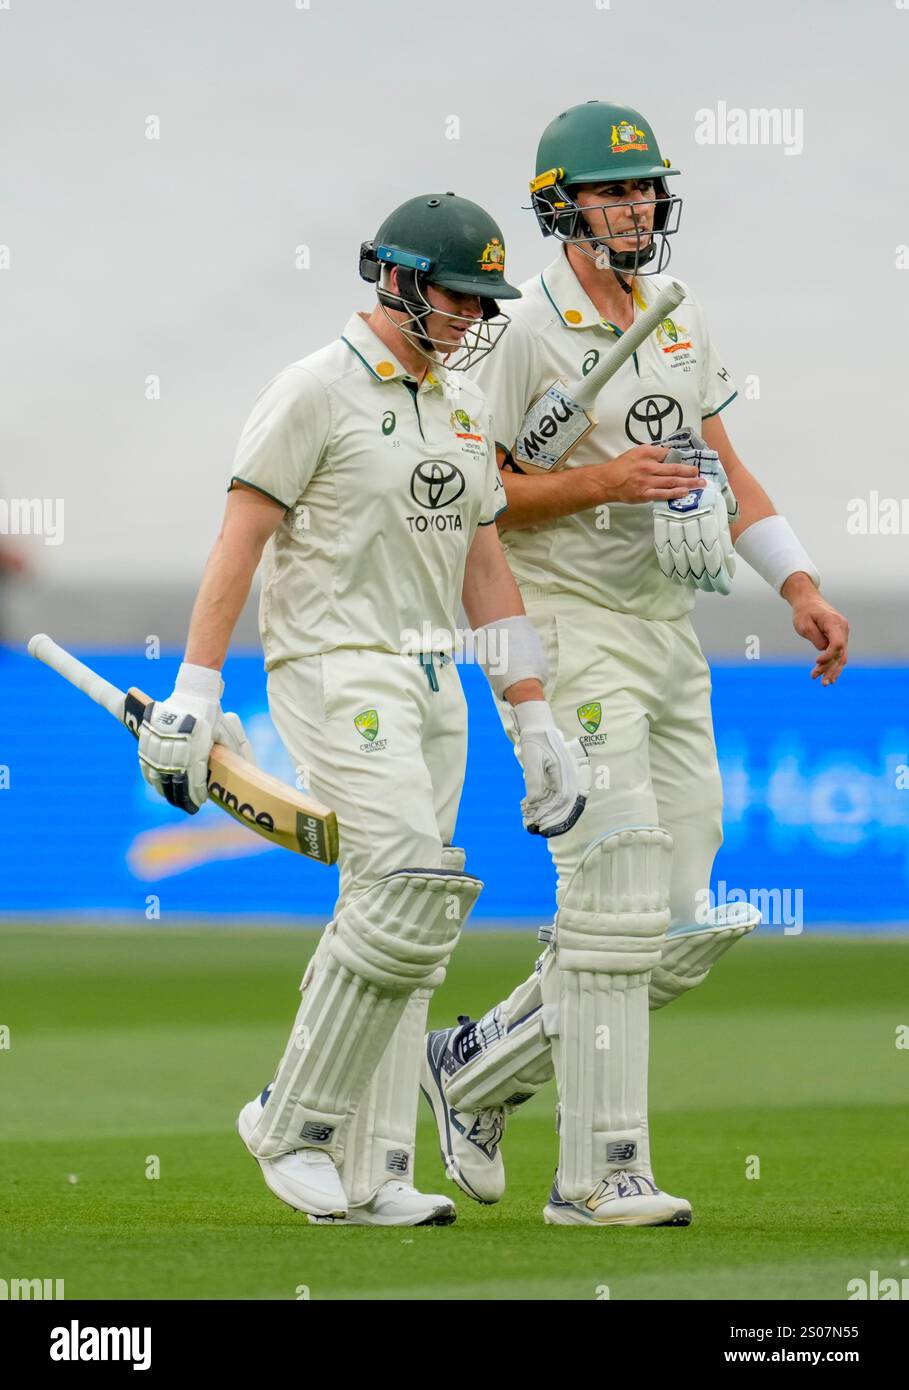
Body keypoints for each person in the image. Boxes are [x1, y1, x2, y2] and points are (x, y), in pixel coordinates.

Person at [421, 102, 850, 1227]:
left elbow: (722, 461)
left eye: (647, 189)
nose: (637, 207)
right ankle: (598, 1176)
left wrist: (797, 582)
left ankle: (473, 1064)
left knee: (671, 916)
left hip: (668, 630)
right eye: (614, 192)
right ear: (563, 205)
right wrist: (604, 485)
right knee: (611, 895)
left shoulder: (677, 310)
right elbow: (480, 494)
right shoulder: (522, 331)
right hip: (566, 622)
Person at [136, 191, 587, 1227]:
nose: (472, 318)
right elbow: (239, 541)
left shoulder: (462, 403)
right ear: (393, 278)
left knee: (416, 916)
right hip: (336, 664)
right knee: (405, 884)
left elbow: (483, 563)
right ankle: (288, 1120)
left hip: (437, 678)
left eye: (484, 301)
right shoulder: (314, 389)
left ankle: (376, 1167)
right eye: (457, 295)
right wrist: (196, 693)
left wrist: (533, 716)